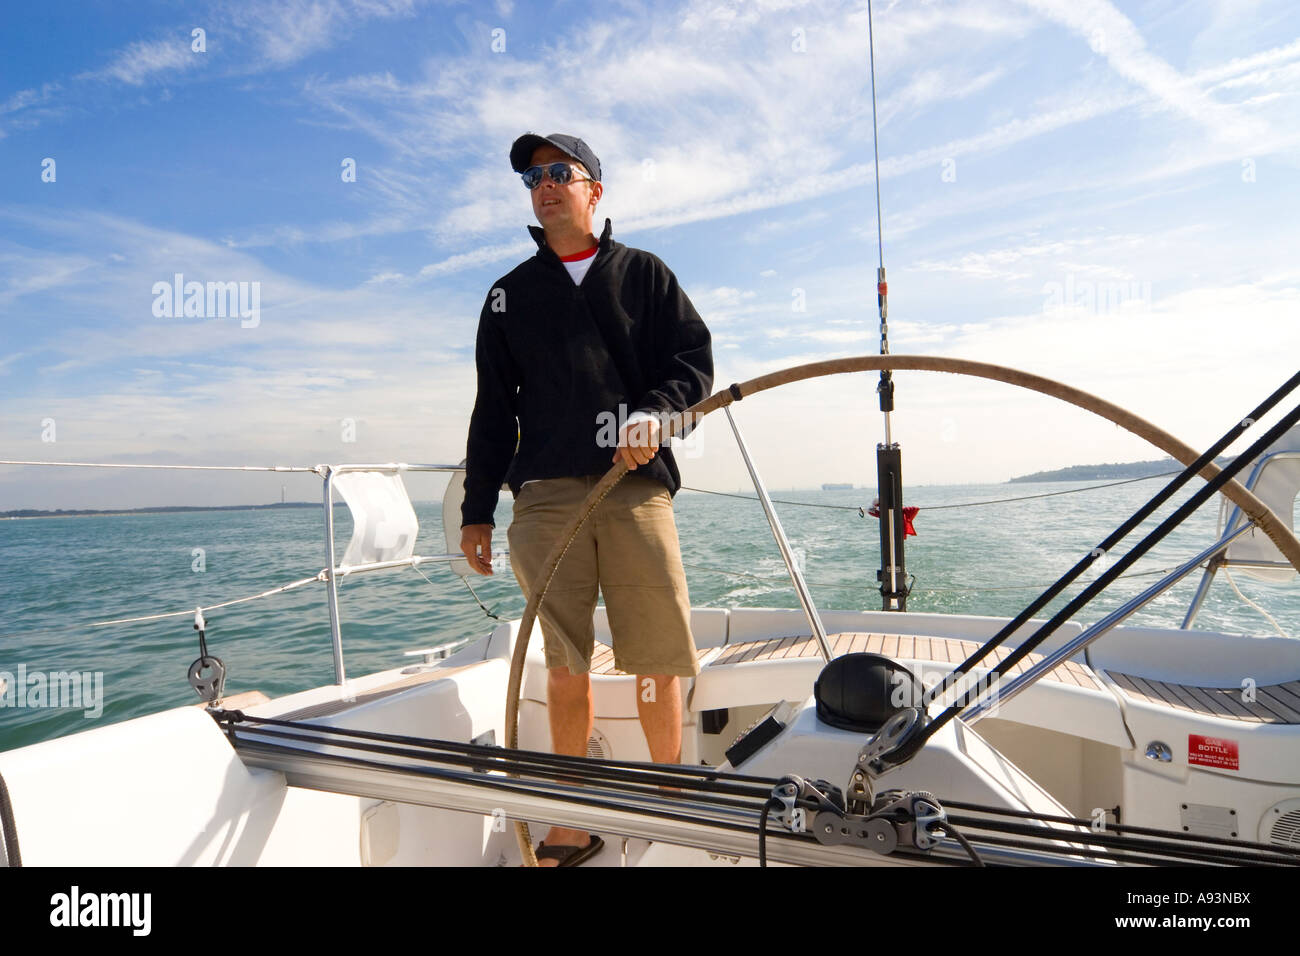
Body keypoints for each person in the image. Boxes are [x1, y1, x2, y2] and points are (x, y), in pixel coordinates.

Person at [459, 133, 714, 866]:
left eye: (558, 172)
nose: (544, 184)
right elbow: (492, 409)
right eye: (532, 177)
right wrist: (477, 509)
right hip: (544, 497)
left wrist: (657, 413)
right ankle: (571, 821)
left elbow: (692, 365)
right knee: (565, 663)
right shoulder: (507, 295)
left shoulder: (646, 274)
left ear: (593, 190)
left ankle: (674, 805)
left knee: (659, 656)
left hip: (635, 487)